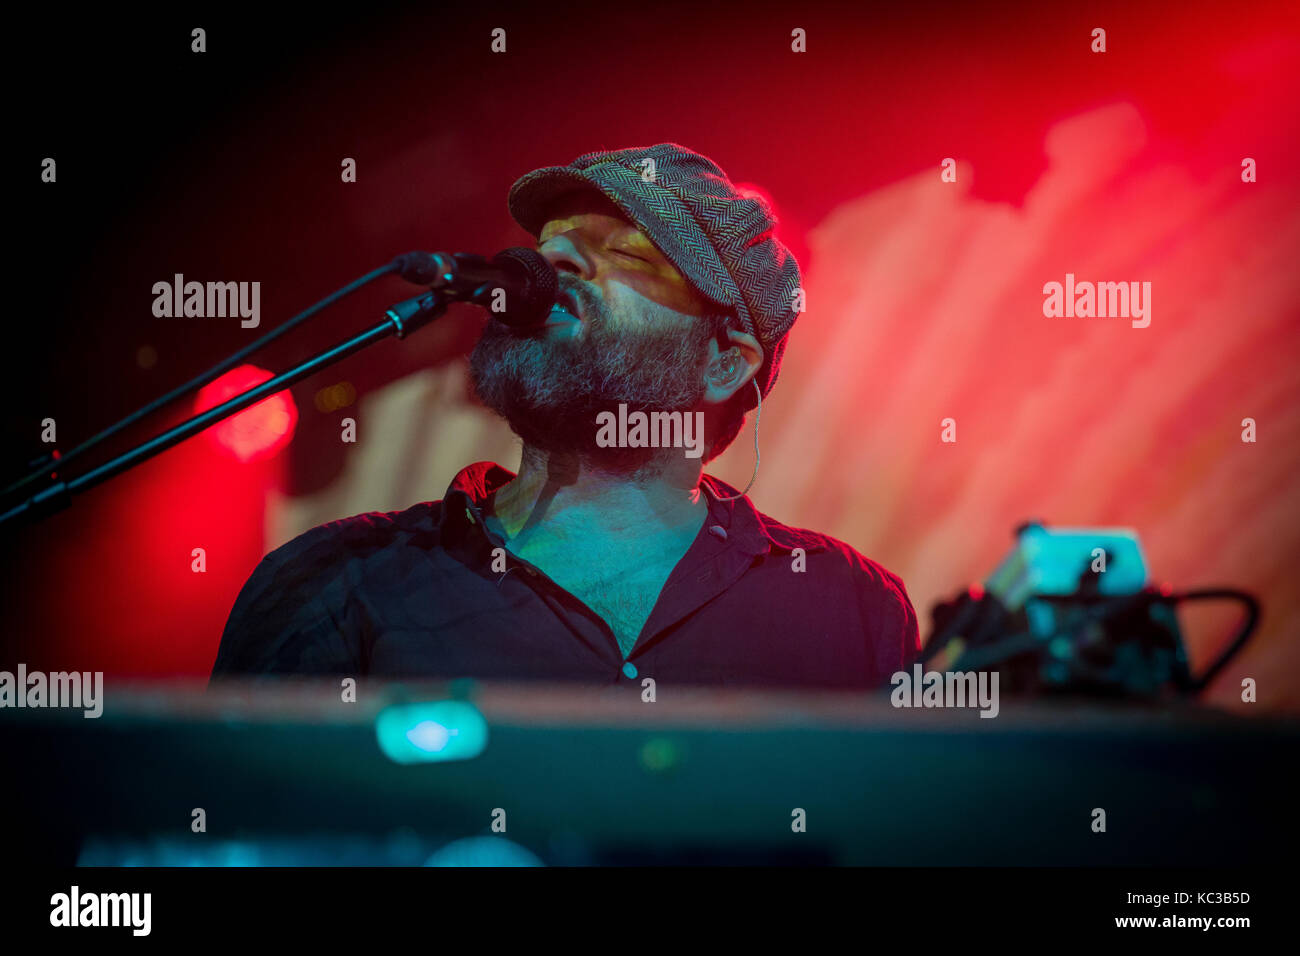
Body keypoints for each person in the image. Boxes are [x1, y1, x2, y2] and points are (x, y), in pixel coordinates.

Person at [211, 143, 919, 688]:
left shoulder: (847, 609)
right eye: (552, 250)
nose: (554, 267)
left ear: (724, 362)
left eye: (624, 253)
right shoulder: (331, 579)